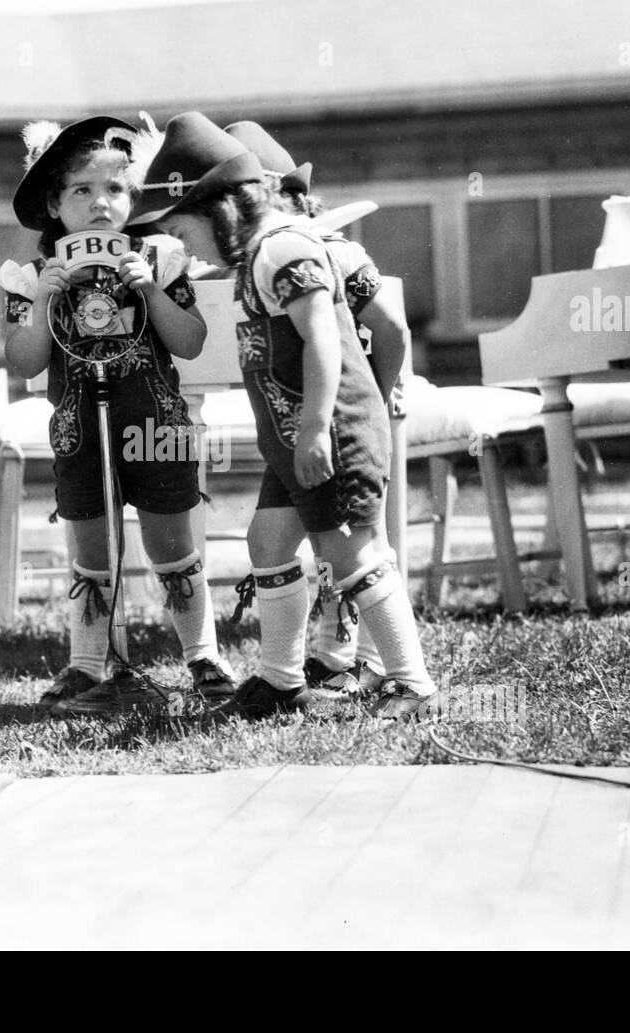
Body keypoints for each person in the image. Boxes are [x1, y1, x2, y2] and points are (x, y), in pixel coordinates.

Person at [131, 112, 437, 721]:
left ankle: (411, 682)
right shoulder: (258, 261)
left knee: (350, 553)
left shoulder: (284, 250)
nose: (183, 247)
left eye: (183, 231)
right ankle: (281, 678)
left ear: (219, 209)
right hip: (293, 439)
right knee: (267, 540)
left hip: (327, 437)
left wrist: (322, 428)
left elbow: (324, 339)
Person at [0, 117, 237, 715]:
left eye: (115, 190)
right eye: (82, 190)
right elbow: (22, 359)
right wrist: (45, 300)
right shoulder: (31, 276)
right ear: (54, 203)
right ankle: (86, 664)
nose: (100, 203)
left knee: (172, 544)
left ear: (134, 199)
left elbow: (189, 343)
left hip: (158, 423)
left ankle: (203, 655)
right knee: (93, 552)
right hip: (80, 429)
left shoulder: (160, 259)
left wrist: (152, 290)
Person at [223, 121, 410, 698]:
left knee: (355, 542)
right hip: (294, 423)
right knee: (277, 540)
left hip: (341, 416)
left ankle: (375, 664)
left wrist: (379, 393)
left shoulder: (329, 250)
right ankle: (292, 673)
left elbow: (390, 326)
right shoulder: (254, 263)